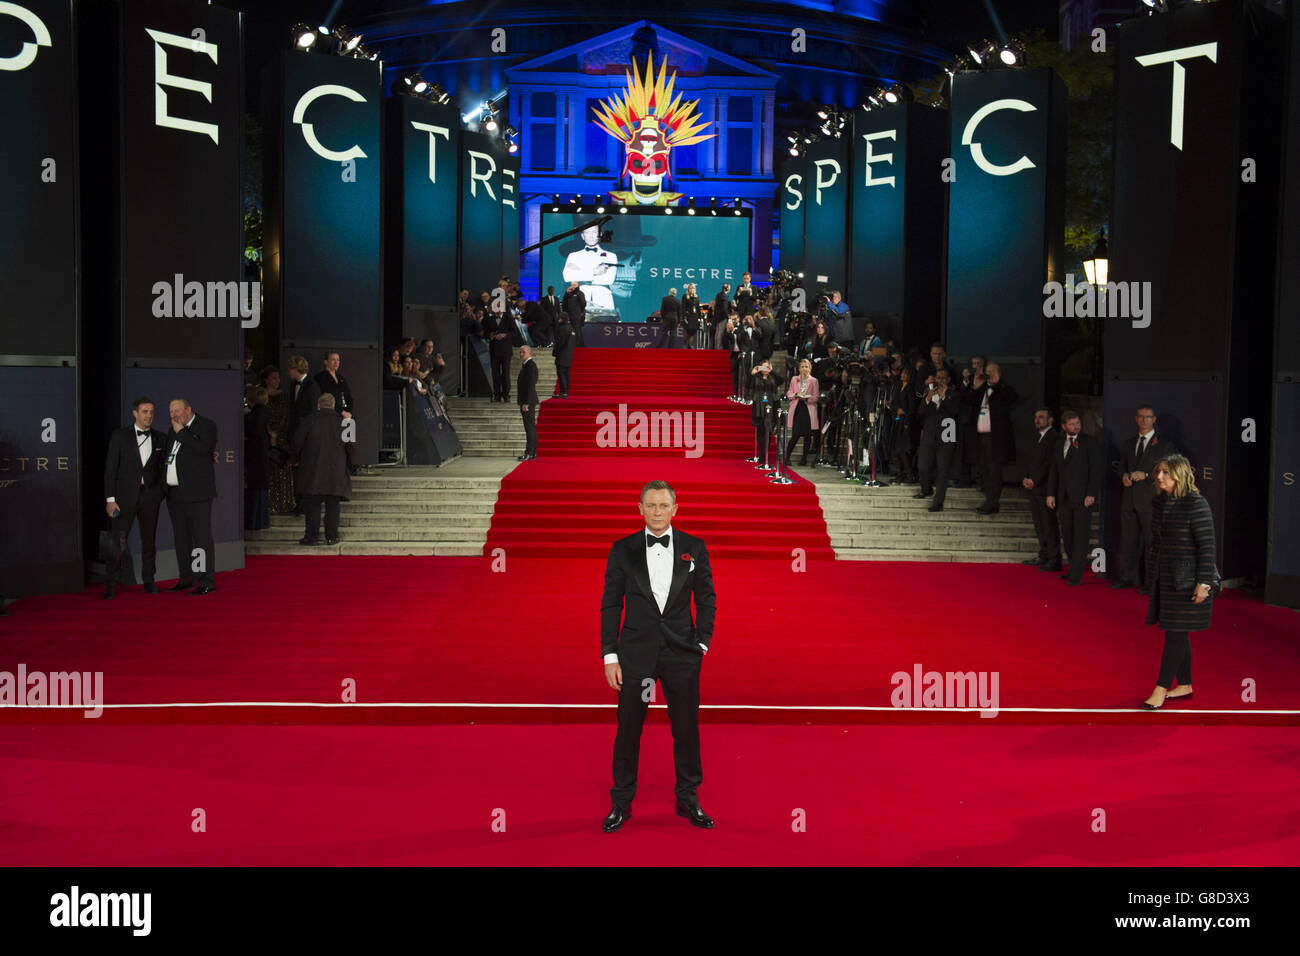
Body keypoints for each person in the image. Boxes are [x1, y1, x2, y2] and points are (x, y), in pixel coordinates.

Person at [600, 480, 717, 833]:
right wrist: (610, 656)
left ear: (675, 509)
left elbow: (707, 598)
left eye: (663, 505)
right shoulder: (622, 549)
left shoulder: (695, 547)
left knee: (685, 729)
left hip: (682, 654)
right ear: (640, 508)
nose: (657, 512)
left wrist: (702, 643)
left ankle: (688, 798)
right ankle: (621, 802)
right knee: (628, 730)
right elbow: (611, 603)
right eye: (650, 505)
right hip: (636, 654)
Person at [1140, 455, 1217, 709]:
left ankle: (1160, 689)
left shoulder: (1196, 503)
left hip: (1188, 581)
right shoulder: (1161, 501)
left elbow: (1207, 546)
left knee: (1175, 633)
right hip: (1167, 578)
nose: (1159, 477)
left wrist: (1203, 583)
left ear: (1180, 474)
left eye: (1165, 472)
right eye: (1158, 472)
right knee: (1177, 632)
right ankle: (1185, 684)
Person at [102, 396, 167, 598]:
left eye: (151, 412)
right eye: (145, 412)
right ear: (135, 413)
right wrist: (110, 500)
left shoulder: (160, 438)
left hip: (150, 498)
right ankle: (110, 585)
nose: (149, 416)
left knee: (149, 541)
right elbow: (110, 469)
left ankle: (149, 581)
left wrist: (159, 493)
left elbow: (163, 470)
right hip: (123, 499)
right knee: (116, 542)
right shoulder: (120, 436)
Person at [1115, 405, 1175, 593]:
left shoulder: (1165, 444)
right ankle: (1127, 578)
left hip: (1151, 501)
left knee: (1152, 544)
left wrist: (1148, 475)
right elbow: (1121, 467)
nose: (1144, 420)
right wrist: (1124, 476)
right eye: (1140, 417)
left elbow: (1169, 471)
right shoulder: (1128, 443)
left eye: (1147, 417)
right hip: (1129, 500)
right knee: (1128, 542)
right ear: (1136, 419)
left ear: (1154, 419)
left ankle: (1152, 583)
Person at [163, 397, 218, 594]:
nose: (173, 415)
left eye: (176, 411)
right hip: (175, 495)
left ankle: (204, 581)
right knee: (182, 539)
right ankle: (186, 579)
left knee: (200, 539)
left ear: (188, 410)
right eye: (170, 412)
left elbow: (204, 448)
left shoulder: (206, 425)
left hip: (197, 495)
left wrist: (182, 433)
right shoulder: (174, 430)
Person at [1046, 410, 1103, 586]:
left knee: (1080, 536)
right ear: (1064, 426)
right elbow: (1054, 470)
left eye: (1078, 423)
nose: (1076, 426)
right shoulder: (1059, 443)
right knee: (1068, 536)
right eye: (1072, 424)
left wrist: (1091, 493)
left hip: (1082, 498)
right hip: (1063, 498)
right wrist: (1051, 493)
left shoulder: (1090, 442)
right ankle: (1072, 568)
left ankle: (1076, 575)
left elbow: (1096, 470)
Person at [292, 393, 353, 546]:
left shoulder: (308, 421)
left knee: (312, 505)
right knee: (333, 505)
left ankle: (311, 537)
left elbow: (296, 443)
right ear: (333, 405)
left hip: (313, 470)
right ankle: (331, 536)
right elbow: (351, 448)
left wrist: (296, 459)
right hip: (335, 471)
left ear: (318, 405)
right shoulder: (346, 423)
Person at [966, 362, 1018, 514]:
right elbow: (968, 400)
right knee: (984, 470)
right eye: (986, 371)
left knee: (994, 470)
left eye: (991, 372)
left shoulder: (1003, 389)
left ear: (998, 373)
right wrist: (975, 386)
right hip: (980, 436)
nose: (987, 374)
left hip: (995, 438)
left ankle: (992, 502)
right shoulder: (982, 388)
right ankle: (989, 501)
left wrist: (998, 383)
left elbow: (1012, 397)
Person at [1020, 408, 1062, 571]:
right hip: (1033, 488)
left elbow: (1050, 464)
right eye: (1036, 417)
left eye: (1041, 417)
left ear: (1050, 420)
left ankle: (1054, 558)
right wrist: (1025, 478)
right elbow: (1029, 461)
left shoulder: (1054, 438)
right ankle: (1044, 555)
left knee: (1048, 524)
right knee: (1039, 524)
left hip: (1045, 488)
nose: (1037, 420)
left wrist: (1035, 480)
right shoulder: (1037, 437)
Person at [915, 368, 960, 512]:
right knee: (923, 465)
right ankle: (926, 489)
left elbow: (954, 411)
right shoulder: (930, 392)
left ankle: (938, 502)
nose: (939, 381)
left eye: (943, 378)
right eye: (938, 378)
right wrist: (927, 399)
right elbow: (920, 413)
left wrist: (945, 396)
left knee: (943, 469)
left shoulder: (954, 395)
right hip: (929, 434)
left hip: (947, 434)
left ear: (948, 380)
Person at [260, 366, 295, 515]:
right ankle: (270, 505)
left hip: (281, 438)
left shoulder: (284, 396)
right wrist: (268, 432)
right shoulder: (261, 395)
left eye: (278, 378)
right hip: (264, 437)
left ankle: (284, 504)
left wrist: (276, 435)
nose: (277, 381)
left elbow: (285, 417)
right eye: (273, 378)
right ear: (266, 379)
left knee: (282, 468)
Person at [562, 224, 617, 312]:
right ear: (582, 236)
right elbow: (567, 276)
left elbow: (609, 279)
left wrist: (579, 273)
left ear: (600, 235)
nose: (591, 236)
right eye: (587, 232)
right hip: (579, 299)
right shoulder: (573, 256)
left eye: (594, 232)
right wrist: (594, 272)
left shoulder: (611, 256)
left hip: (604, 300)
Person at [244, 385, 271, 531]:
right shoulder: (262, 413)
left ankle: (256, 521)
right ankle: (259, 521)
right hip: (260, 456)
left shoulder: (255, 415)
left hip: (256, 457)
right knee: (259, 488)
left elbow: (252, 429)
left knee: (256, 488)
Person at [784, 358, 819, 466]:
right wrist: (795, 395)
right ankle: (786, 457)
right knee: (795, 434)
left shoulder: (814, 380)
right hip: (797, 408)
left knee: (808, 435)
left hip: (808, 408)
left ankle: (804, 459)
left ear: (810, 368)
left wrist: (807, 398)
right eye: (802, 367)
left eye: (806, 366)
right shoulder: (794, 379)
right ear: (799, 368)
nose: (804, 369)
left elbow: (816, 397)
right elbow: (789, 392)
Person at [749, 358, 779, 465]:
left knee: (769, 431)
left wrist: (772, 371)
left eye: (767, 367)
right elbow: (748, 385)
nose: (765, 369)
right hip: (758, 408)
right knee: (760, 431)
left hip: (772, 406)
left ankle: (763, 455)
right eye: (763, 367)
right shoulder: (756, 378)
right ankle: (762, 454)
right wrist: (753, 373)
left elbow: (781, 381)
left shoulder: (773, 377)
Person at [482, 307, 515, 402]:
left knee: (506, 373)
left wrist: (504, 335)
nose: (498, 309)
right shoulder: (489, 319)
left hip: (506, 350)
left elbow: (514, 332)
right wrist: (490, 335)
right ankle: (497, 395)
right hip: (494, 350)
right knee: (495, 374)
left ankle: (506, 395)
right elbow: (485, 333)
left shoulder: (509, 318)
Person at [286, 356, 320, 445]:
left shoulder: (312, 386)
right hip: (294, 429)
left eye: (290, 369)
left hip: (306, 431)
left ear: (296, 369)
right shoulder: (293, 385)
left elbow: (314, 411)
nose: (288, 372)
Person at [314, 351, 354, 421]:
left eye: (338, 360)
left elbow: (349, 397)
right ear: (326, 362)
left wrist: (349, 412)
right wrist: (342, 412)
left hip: (345, 417)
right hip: (330, 415)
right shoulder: (320, 377)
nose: (336, 362)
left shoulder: (342, 378)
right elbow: (326, 398)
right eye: (333, 360)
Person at [516, 345, 538, 461]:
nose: (520, 354)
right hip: (527, 400)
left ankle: (530, 452)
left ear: (529, 353)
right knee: (530, 427)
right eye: (520, 352)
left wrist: (526, 402)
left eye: (523, 352)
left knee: (529, 428)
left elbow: (530, 386)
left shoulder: (530, 366)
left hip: (528, 401)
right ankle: (532, 452)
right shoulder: (526, 366)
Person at [553, 316, 575, 398]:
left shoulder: (563, 329)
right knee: (566, 374)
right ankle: (566, 391)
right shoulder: (572, 329)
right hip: (569, 355)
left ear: (562, 319)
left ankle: (563, 392)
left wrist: (555, 352)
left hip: (562, 354)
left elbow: (560, 342)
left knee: (561, 374)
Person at [562, 280, 587, 347]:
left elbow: (583, 303)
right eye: (572, 285)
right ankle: (575, 345)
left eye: (574, 285)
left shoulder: (580, 293)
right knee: (570, 331)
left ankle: (577, 345)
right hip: (569, 316)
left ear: (577, 285)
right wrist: (566, 293)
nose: (572, 286)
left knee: (577, 330)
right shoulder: (569, 294)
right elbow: (564, 302)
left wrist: (580, 312)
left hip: (576, 316)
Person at [681, 283, 701, 349]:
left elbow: (698, 308)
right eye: (691, 288)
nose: (692, 289)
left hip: (695, 316)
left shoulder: (696, 297)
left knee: (693, 331)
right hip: (689, 316)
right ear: (688, 289)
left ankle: (691, 345)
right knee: (689, 330)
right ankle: (685, 342)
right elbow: (683, 307)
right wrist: (684, 317)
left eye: (694, 288)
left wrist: (699, 318)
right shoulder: (685, 296)